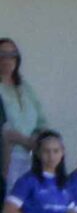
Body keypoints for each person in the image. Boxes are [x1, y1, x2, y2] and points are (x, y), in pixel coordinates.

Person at [0, 37, 47, 185]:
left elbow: (41, 121)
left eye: (12, 54)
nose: (8, 59)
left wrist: (37, 139)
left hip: (30, 156)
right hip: (5, 156)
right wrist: (26, 141)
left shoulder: (25, 87)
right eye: (2, 54)